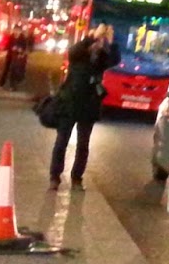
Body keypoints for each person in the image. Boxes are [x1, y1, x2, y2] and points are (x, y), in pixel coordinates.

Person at [49, 26, 120, 191]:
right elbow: (73, 50)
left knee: (83, 145)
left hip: (89, 106)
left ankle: (77, 178)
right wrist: (92, 37)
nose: (96, 45)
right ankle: (54, 177)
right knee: (61, 142)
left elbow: (115, 60)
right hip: (69, 104)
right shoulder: (78, 56)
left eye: (98, 42)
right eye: (95, 42)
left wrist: (111, 42)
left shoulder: (101, 59)